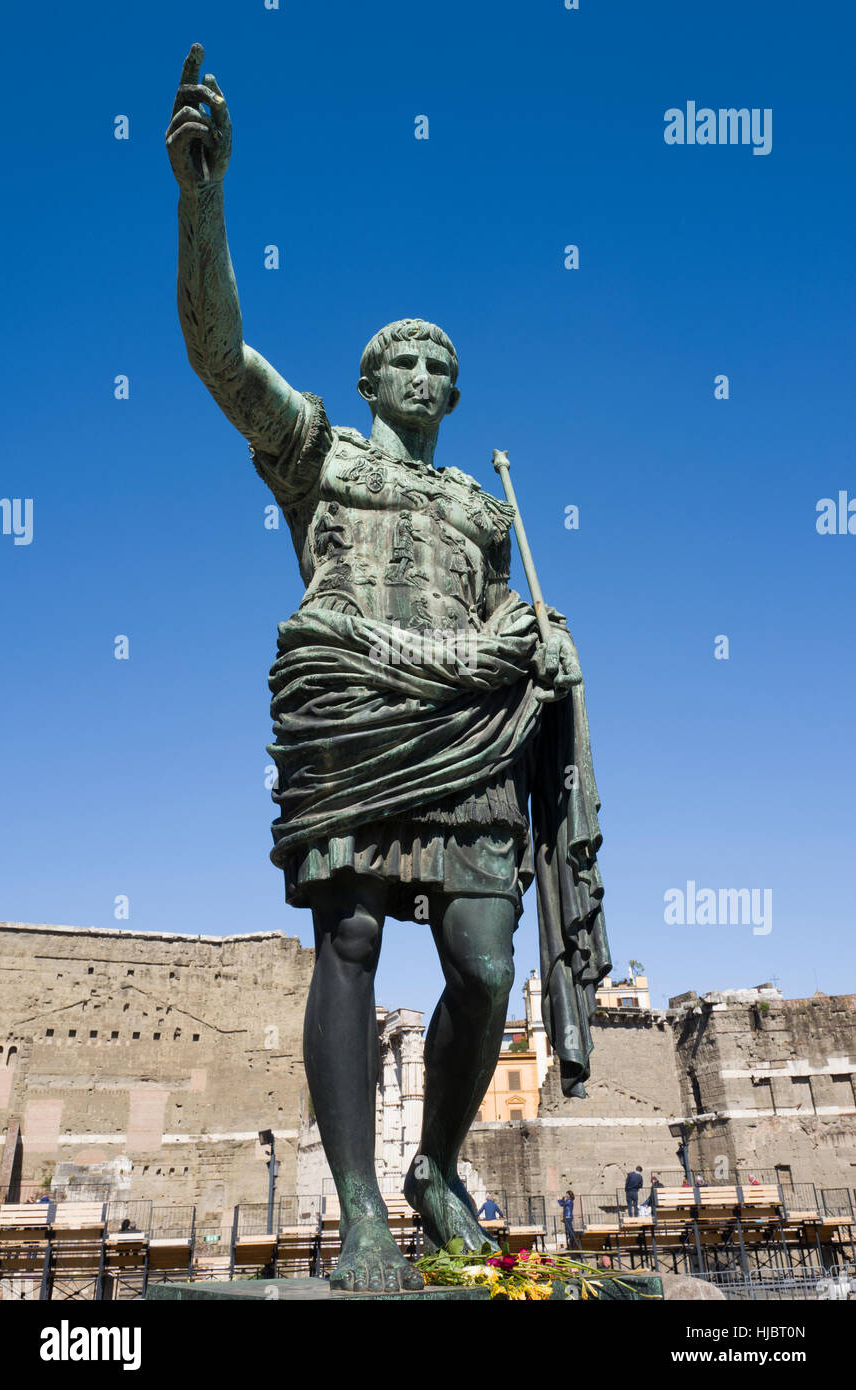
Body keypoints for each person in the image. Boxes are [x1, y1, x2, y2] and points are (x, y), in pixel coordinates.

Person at [167, 43, 611, 1295]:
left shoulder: (480, 506)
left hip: (467, 731)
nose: (420, 374)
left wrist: (547, 651)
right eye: (399, 360)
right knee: (349, 938)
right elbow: (216, 354)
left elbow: (509, 628)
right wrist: (204, 200)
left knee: (480, 963)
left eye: (438, 365)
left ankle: (434, 1167)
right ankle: (360, 1202)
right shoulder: (317, 454)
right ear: (367, 382)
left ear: (453, 392)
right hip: (356, 720)